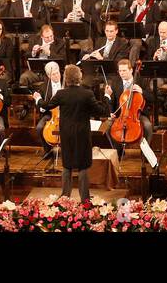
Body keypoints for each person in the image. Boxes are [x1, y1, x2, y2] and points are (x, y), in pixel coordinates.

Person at [33, 63, 112, 201]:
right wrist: (106, 96)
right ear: (79, 77)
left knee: (67, 165)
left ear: (66, 78)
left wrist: (38, 99)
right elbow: (103, 111)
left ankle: (65, 197)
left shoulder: (61, 94)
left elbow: (46, 106)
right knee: (83, 165)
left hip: (66, 134)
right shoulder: (86, 94)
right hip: (82, 133)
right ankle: (85, 199)